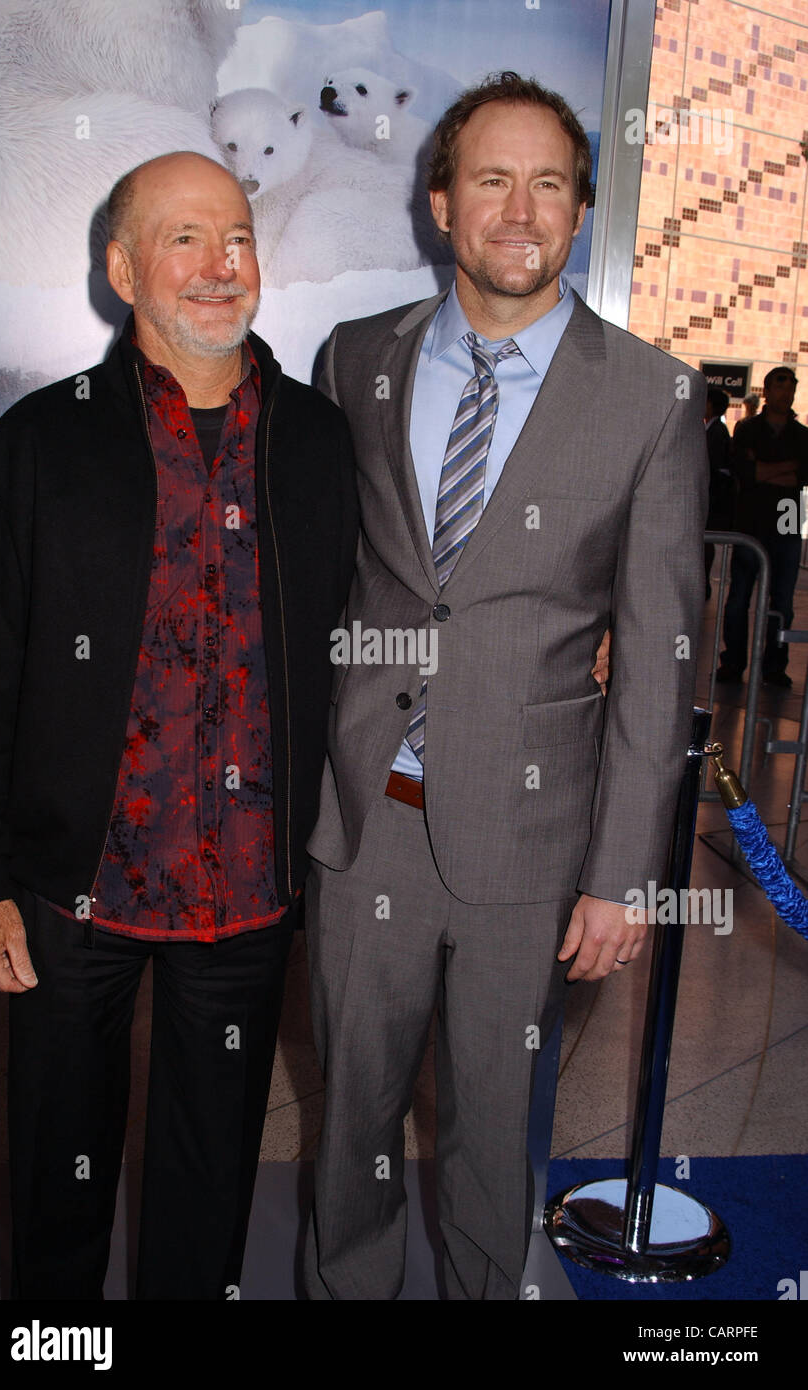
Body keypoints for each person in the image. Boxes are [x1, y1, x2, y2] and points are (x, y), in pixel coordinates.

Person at [302, 71, 708, 1301]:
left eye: (548, 183)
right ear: (440, 203)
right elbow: (326, 583)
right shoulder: (355, 360)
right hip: (362, 822)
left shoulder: (650, 396)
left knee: (492, 1141)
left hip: (533, 844)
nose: (518, 209)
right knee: (344, 1134)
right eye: (490, 179)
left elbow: (658, 648)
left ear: (580, 211)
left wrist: (623, 873)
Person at [0, 151, 358, 1299]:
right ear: (123, 267)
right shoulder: (40, 443)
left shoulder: (320, 442)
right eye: (182, 238)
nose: (216, 263)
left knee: (210, 1171)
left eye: (234, 236)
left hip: (247, 895)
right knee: (57, 1175)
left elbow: (396, 613)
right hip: (69, 888)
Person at [718, 366, 808, 688]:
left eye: (791, 390)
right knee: (739, 596)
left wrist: (763, 469)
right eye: (780, 388)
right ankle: (733, 661)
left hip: (788, 518)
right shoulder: (747, 429)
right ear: (767, 391)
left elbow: (802, 476)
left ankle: (774, 667)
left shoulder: (802, 436)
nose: (786, 396)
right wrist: (783, 469)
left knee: (782, 600)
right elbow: (746, 473)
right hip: (751, 521)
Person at [704, 385, 735, 597]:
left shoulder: (716, 432)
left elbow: (712, 465)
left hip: (713, 496)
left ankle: (703, 582)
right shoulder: (712, 429)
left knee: (705, 541)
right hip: (712, 494)